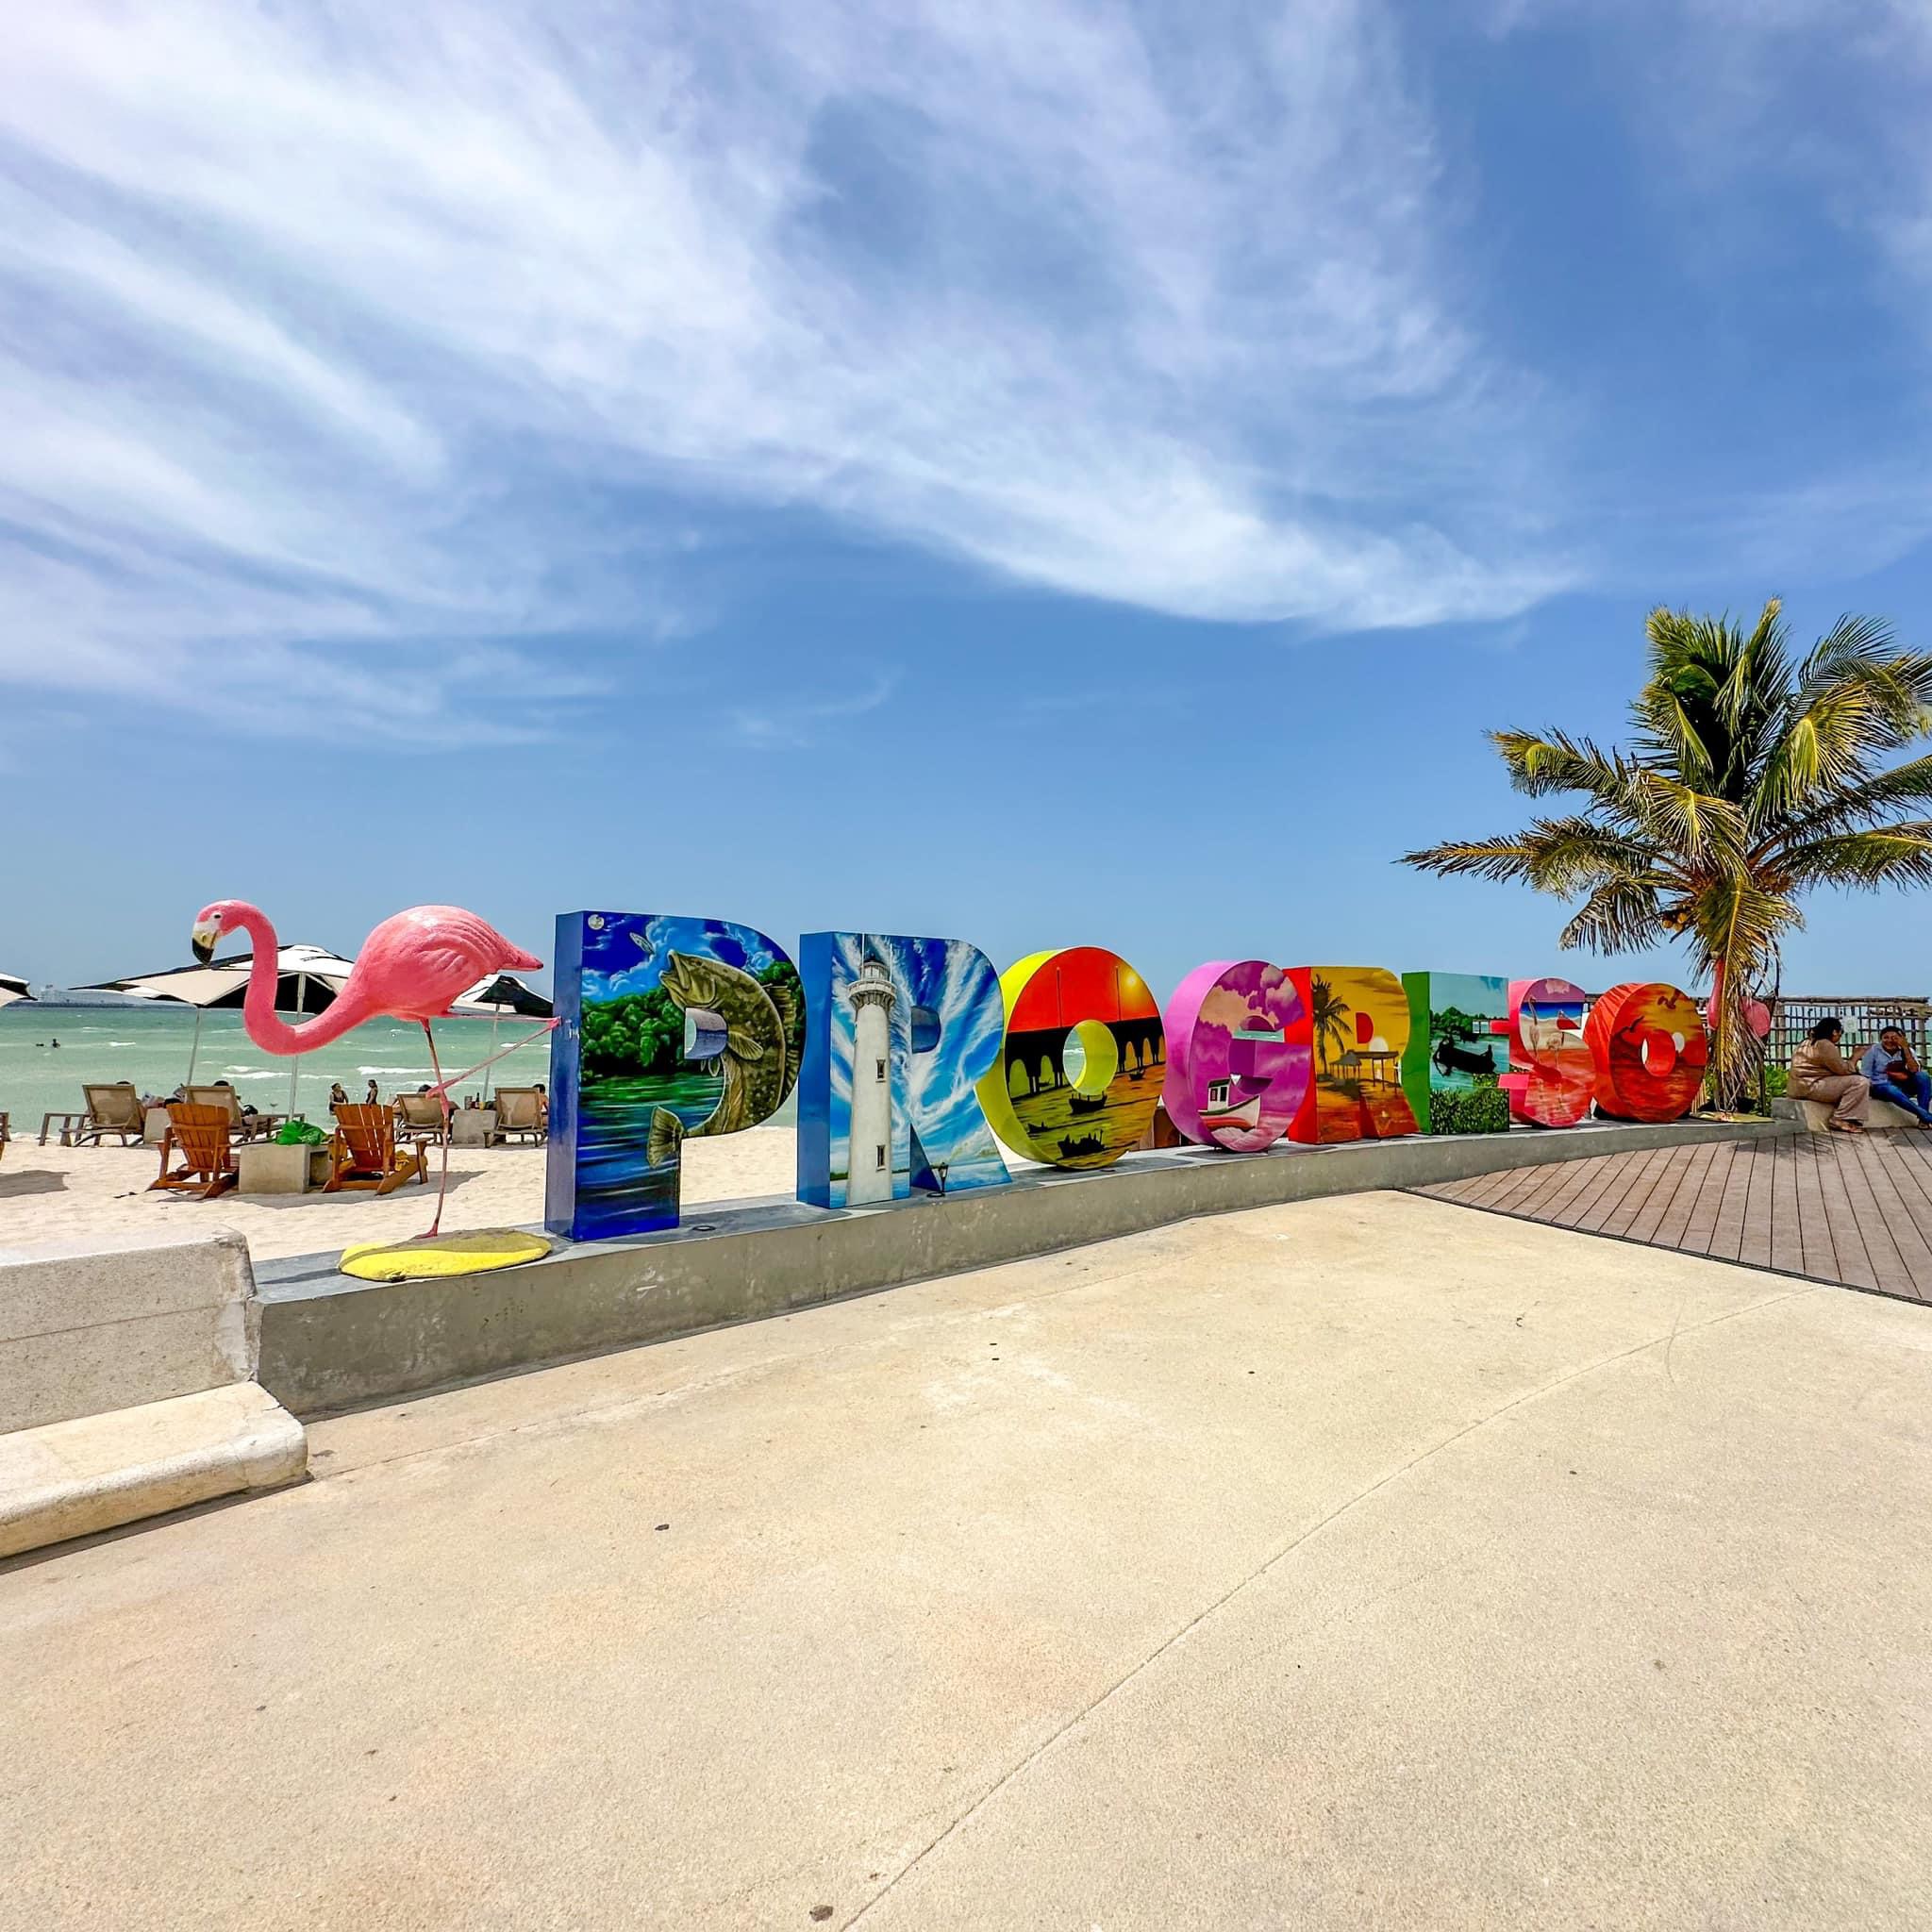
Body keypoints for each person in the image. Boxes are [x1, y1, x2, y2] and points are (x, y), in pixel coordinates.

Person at [1788, 1018, 1870, 1132]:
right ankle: (1840, 1118)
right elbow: (1842, 1070)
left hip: (1798, 1087)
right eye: (1840, 1033)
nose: (1840, 1037)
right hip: (1812, 1087)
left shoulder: (1805, 1043)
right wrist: (1855, 1057)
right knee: (1861, 1082)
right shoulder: (1825, 1045)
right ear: (1834, 1032)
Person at [1859, 1025, 1932, 1127]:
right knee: (1891, 1089)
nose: (1889, 1041)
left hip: (1903, 1085)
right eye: (1886, 1038)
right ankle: (1927, 1117)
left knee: (1923, 1076)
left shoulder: (1907, 1050)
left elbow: (1915, 1070)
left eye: (1894, 1038)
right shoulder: (1873, 1051)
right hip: (1882, 1086)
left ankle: (1923, 1119)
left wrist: (1905, 1049)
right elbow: (1866, 1074)